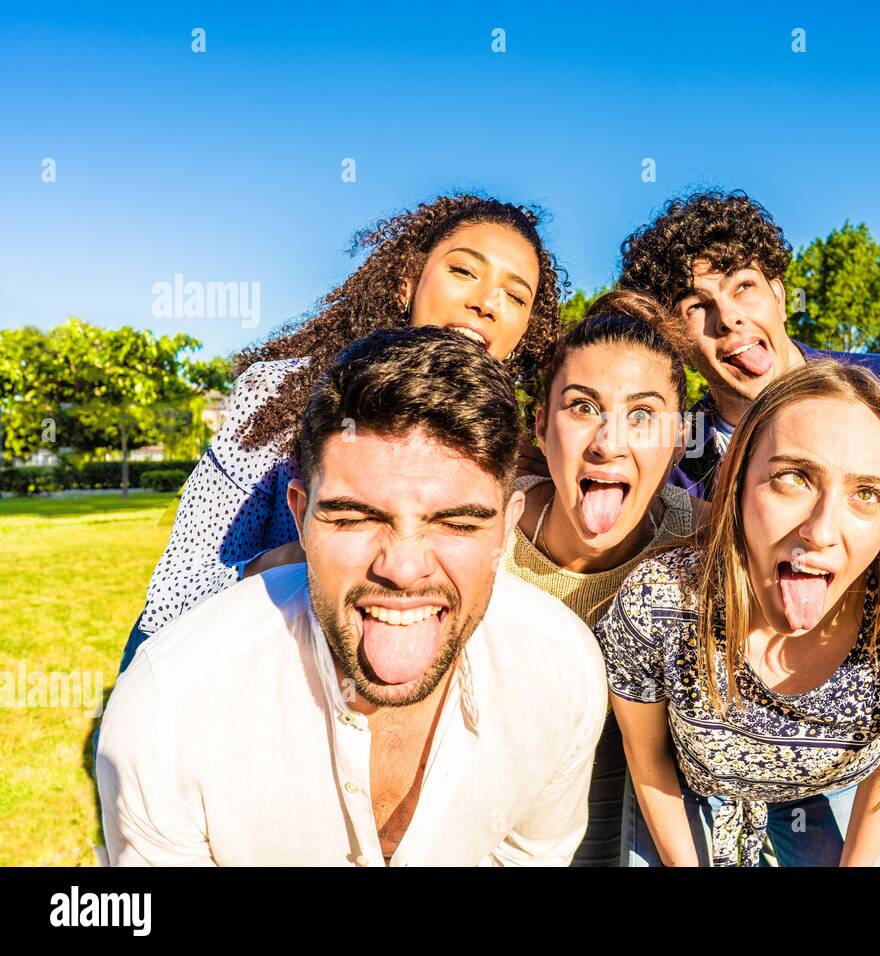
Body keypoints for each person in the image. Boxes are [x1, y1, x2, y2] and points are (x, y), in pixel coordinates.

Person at [97, 325, 607, 866]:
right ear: (299, 517)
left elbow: (525, 856)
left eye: (456, 522)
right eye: (355, 517)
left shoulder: (562, 672)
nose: (404, 569)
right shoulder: (167, 714)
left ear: (507, 530)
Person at [118, 194, 567, 673]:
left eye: (516, 296)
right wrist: (318, 550)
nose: (486, 303)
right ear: (407, 284)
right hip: (218, 667)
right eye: (463, 271)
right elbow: (171, 599)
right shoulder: (280, 396)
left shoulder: (503, 449)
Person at [596, 360, 880, 866]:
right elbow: (648, 758)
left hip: (834, 788)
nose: (822, 530)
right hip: (693, 788)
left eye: (867, 494)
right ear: (737, 482)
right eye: (792, 478)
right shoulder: (657, 603)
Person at [618, 189, 880, 581]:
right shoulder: (675, 455)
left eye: (743, 286)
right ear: (677, 337)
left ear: (778, 296)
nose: (727, 318)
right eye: (696, 305)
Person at [502, 289, 704, 866]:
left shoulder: (703, 542)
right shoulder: (484, 530)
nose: (608, 442)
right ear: (540, 427)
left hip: (631, 815)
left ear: (676, 438)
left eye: (642, 415)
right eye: (583, 407)